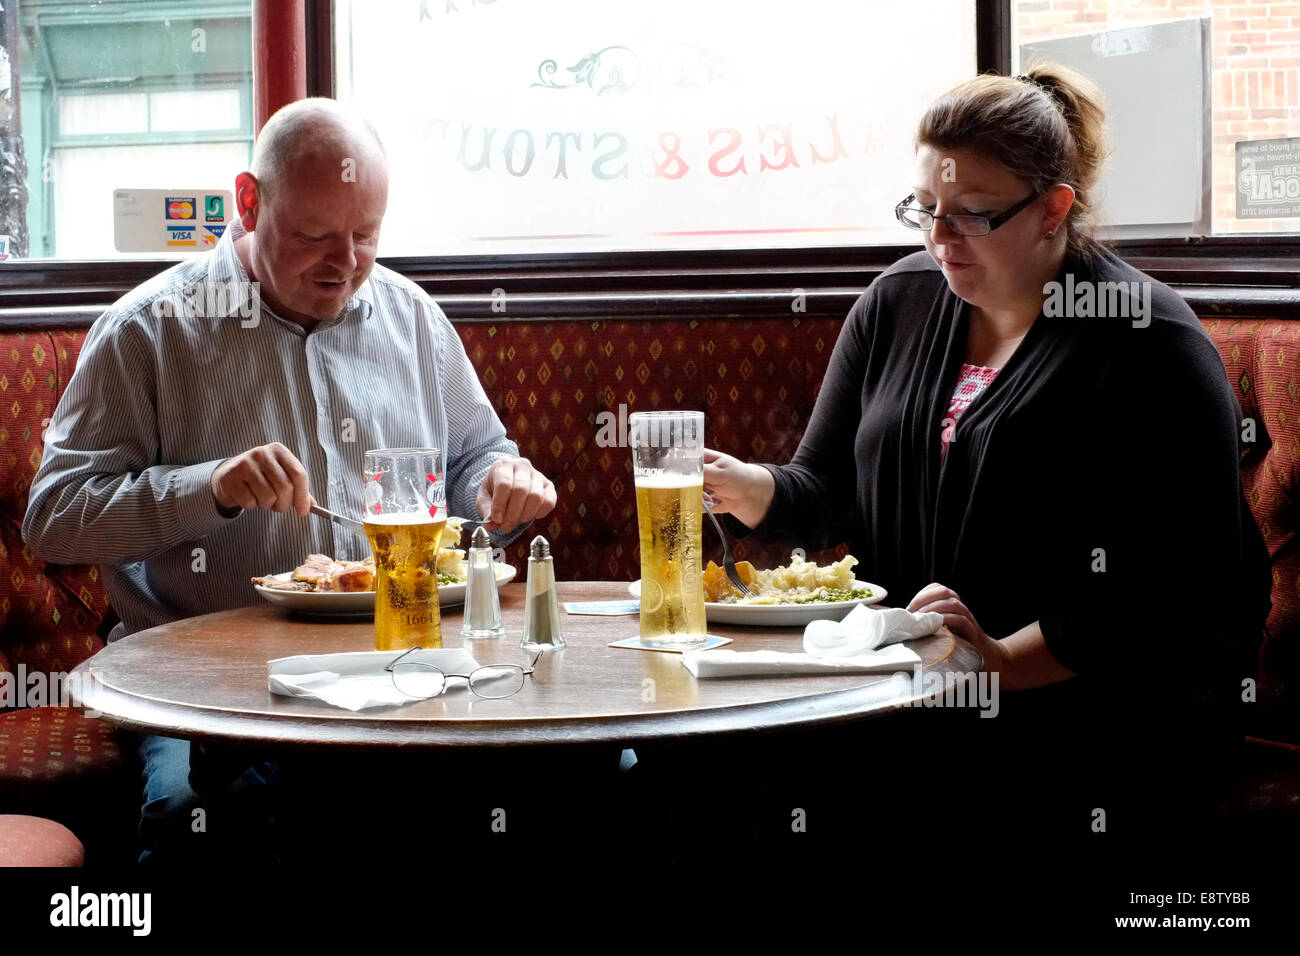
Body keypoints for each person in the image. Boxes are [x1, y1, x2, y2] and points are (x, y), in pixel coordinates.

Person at [669, 66, 1272, 858]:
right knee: (699, 777)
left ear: (1053, 208)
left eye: (972, 217)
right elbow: (825, 494)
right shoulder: (898, 302)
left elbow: (1168, 595)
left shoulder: (1149, 345)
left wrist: (1000, 666)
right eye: (926, 210)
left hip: (1100, 713)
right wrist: (750, 487)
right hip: (906, 688)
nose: (937, 240)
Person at [23, 98, 560, 863]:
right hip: (198, 679)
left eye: (366, 235)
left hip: (400, 661)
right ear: (249, 202)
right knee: (190, 824)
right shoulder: (148, 330)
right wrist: (209, 489)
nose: (346, 264)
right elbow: (54, 518)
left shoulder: (410, 318)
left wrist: (499, 486)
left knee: (566, 779)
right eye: (314, 236)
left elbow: (479, 458)